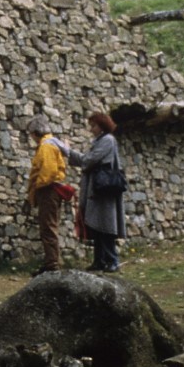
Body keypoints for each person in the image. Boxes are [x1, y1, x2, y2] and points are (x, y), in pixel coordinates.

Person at [66, 111, 126, 272]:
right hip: (98, 189)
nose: (91, 129)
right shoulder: (101, 140)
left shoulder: (107, 140)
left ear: (101, 126)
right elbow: (88, 159)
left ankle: (112, 259)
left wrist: (69, 152)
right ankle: (99, 260)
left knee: (106, 225)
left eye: (93, 126)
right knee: (98, 226)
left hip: (103, 189)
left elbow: (90, 159)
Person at [25, 114, 72, 275]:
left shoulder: (46, 147)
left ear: (35, 132)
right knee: (49, 224)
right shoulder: (52, 144)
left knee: (48, 226)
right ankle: (51, 261)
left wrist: (38, 186)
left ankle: (52, 263)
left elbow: (48, 171)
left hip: (48, 190)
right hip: (51, 189)